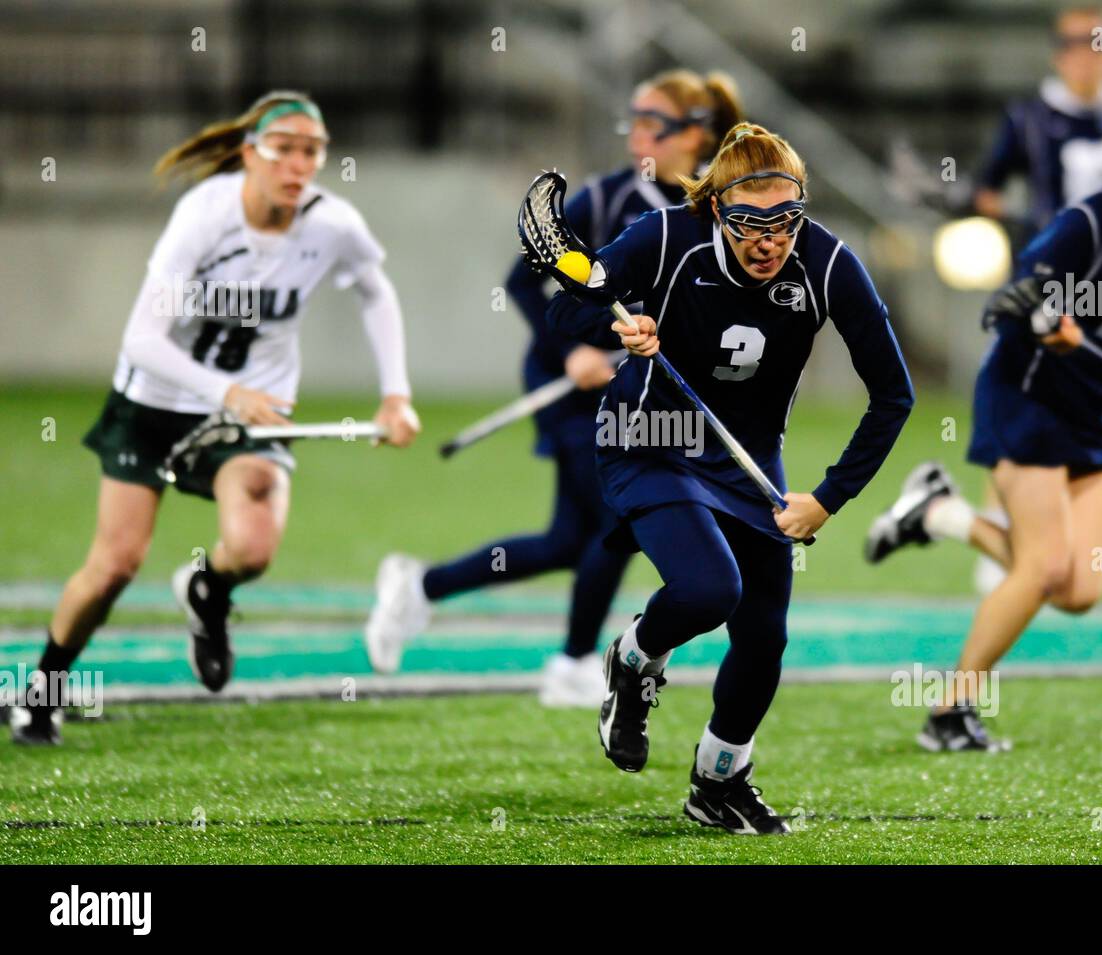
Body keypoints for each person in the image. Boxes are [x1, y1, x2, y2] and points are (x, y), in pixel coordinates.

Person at [10, 91, 420, 745]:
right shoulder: (205, 215)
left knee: (254, 548)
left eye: (311, 151)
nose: (298, 164)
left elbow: (375, 289)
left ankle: (208, 589)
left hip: (249, 416)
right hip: (157, 404)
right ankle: (45, 688)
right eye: (283, 148)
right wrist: (227, 391)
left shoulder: (332, 223)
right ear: (248, 152)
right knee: (114, 564)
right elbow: (143, 337)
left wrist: (395, 392)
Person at [549, 123, 914, 832]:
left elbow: (893, 393)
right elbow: (569, 303)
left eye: (785, 220)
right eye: (750, 221)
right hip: (649, 439)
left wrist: (829, 496)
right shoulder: (663, 237)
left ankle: (719, 781)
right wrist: (618, 328)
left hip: (747, 457)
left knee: (765, 636)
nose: (770, 240)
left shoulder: (829, 263)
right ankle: (634, 658)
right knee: (713, 587)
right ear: (717, 208)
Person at [868, 64, 1102, 751]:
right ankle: (949, 711)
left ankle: (938, 512)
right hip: (1028, 396)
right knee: (1041, 567)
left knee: (1080, 589)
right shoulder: (1094, 222)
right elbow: (1018, 299)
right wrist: (1051, 321)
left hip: (1098, 416)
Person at [363, 70, 743, 707]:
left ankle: (420, 586)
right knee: (611, 520)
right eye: (635, 119)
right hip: (571, 383)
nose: (638, 134)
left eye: (655, 122)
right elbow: (522, 281)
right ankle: (572, 661)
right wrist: (572, 352)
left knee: (573, 539)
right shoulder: (604, 199)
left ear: (697, 132)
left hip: (633, 389)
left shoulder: (713, 211)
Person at [972, 6, 1102, 600]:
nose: (1085, 54)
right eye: (1073, 43)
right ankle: (999, 533)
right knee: (1026, 412)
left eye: (1097, 43)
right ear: (1055, 51)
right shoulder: (1029, 120)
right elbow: (986, 191)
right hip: (1053, 286)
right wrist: (1021, 227)